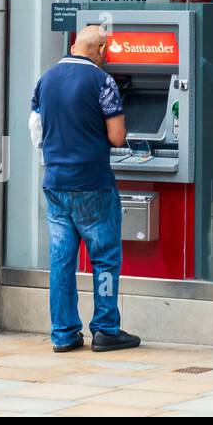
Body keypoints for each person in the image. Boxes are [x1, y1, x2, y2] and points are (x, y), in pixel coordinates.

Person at [29, 24, 142, 353]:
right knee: (104, 257)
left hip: (55, 183)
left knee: (61, 260)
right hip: (92, 183)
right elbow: (117, 137)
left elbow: (36, 131)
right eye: (106, 51)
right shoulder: (102, 81)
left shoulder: (45, 79)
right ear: (101, 50)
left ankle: (63, 334)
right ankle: (106, 329)